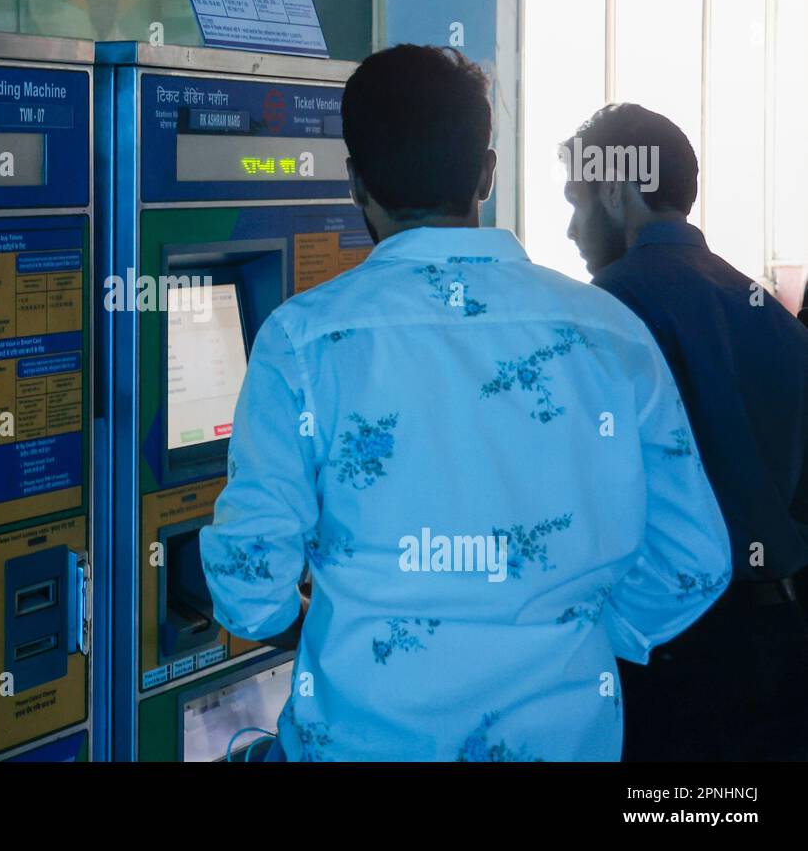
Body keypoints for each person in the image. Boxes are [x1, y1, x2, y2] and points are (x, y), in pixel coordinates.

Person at [199, 46, 730, 762]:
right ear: (485, 172)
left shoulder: (303, 342)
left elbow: (247, 586)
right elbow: (695, 561)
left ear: (356, 183)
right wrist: (579, 632)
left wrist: (320, 628)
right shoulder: (608, 334)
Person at [562, 102, 808, 761]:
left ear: (616, 192)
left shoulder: (607, 313)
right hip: (785, 649)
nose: (570, 228)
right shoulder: (771, 315)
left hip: (672, 654)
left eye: (578, 201)